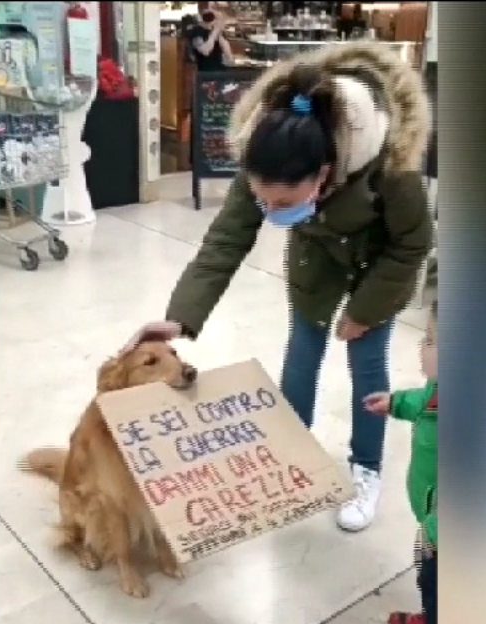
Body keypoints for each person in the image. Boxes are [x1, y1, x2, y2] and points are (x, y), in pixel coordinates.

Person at [120, 42, 433, 532]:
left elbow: (413, 244)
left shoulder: (391, 163)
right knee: (303, 351)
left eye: (285, 200)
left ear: (325, 173)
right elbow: (226, 239)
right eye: (263, 199)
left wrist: (366, 310)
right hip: (316, 258)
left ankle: (366, 468)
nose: (271, 211)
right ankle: (290, 454)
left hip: (379, 263)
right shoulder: (266, 154)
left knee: (367, 361)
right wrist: (180, 317)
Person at [363, 300, 438, 624]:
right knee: (431, 583)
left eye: (430, 340)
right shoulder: (441, 390)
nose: (421, 346)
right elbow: (425, 402)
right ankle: (434, 621)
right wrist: (396, 403)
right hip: (433, 524)